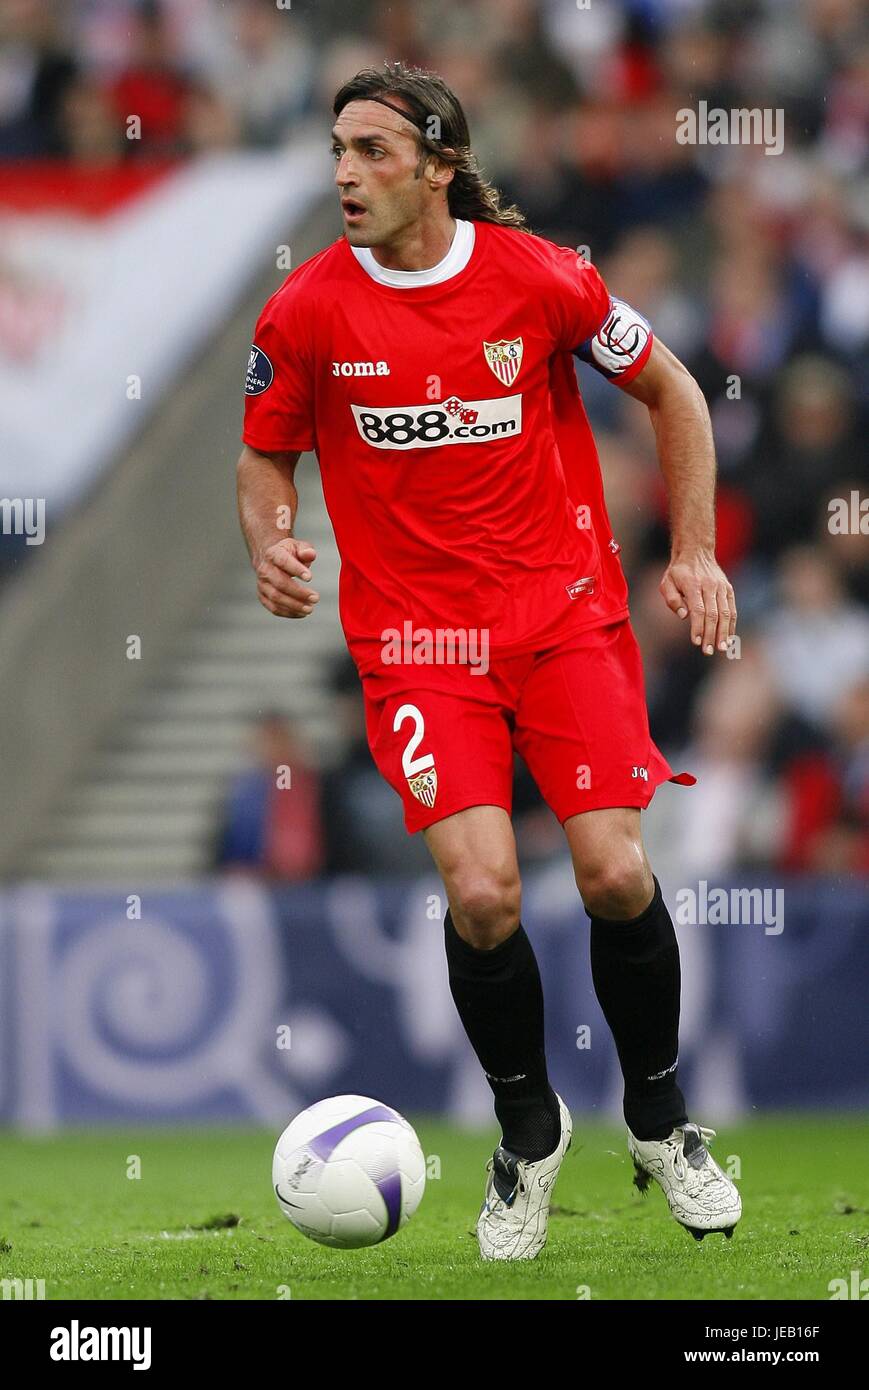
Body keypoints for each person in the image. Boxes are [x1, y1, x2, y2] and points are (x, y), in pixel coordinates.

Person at [236, 61, 741, 1259]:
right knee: (480, 891)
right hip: (419, 645)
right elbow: (264, 456)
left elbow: (672, 390)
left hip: (563, 614)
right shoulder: (304, 310)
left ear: (438, 163)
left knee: (614, 874)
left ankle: (662, 1119)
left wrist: (695, 553)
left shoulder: (541, 278)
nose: (346, 173)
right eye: (336, 151)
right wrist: (270, 541)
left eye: (370, 151)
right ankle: (527, 1131)